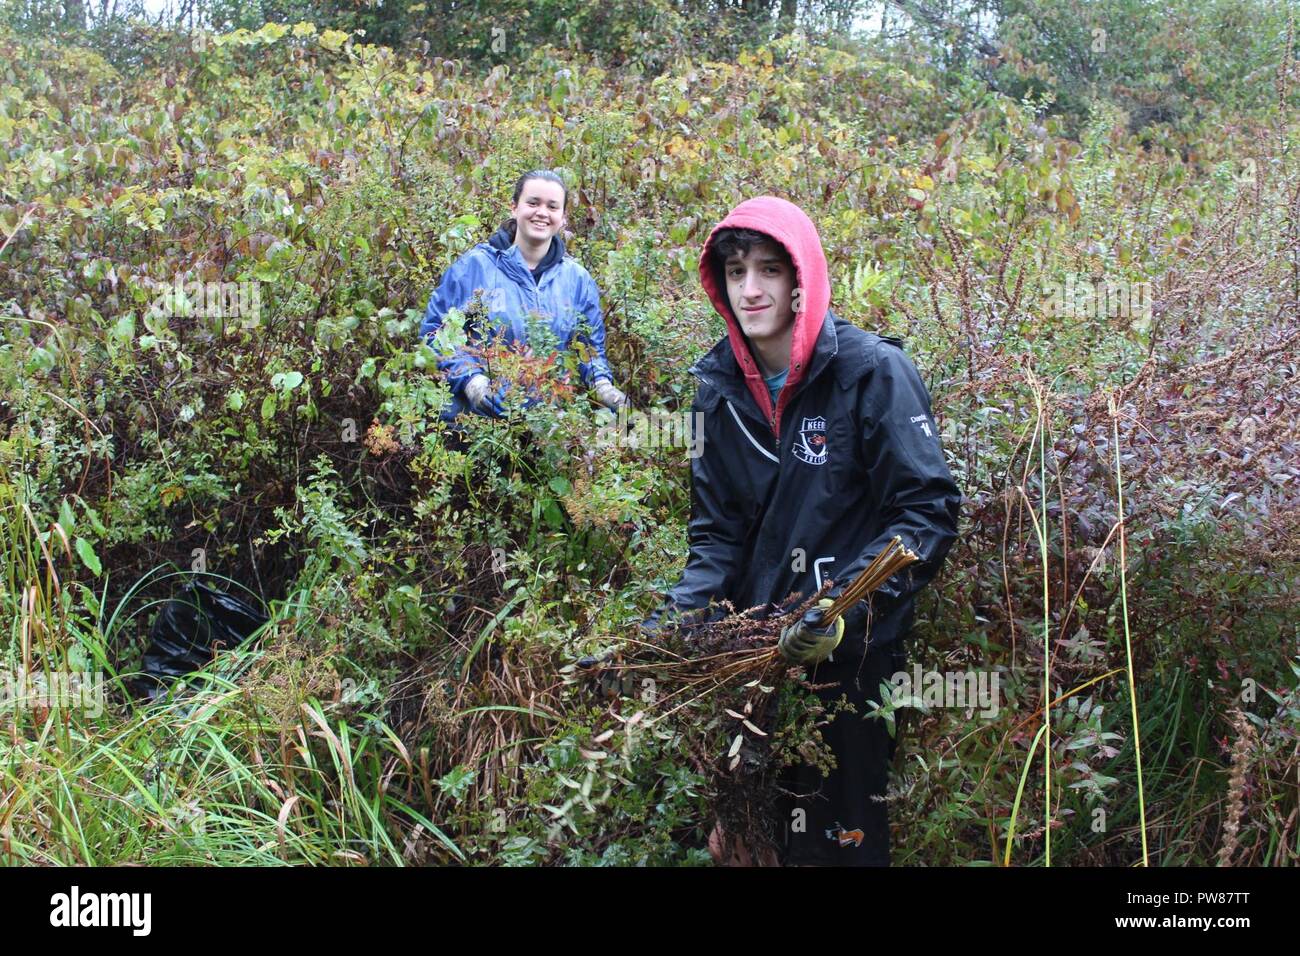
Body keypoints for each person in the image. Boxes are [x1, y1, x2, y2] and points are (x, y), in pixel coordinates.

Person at [642, 195, 962, 866]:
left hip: (851, 658)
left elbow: (925, 511)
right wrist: (676, 626)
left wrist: (843, 609)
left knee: (840, 842)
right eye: (735, 273)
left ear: (800, 282)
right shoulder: (716, 388)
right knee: (746, 834)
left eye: (768, 271)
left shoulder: (871, 374)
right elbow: (717, 530)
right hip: (753, 654)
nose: (751, 289)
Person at [419, 169, 628, 419]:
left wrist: (603, 386)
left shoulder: (577, 281)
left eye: (552, 206)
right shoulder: (474, 268)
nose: (542, 212)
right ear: (514, 207)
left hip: (546, 423)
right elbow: (436, 334)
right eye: (533, 203)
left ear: (563, 218)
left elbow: (589, 349)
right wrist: (472, 381)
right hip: (474, 424)